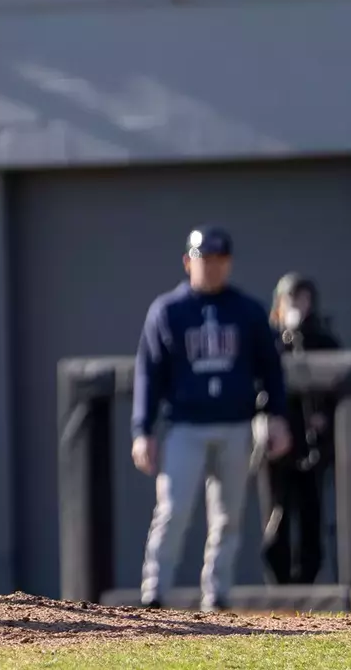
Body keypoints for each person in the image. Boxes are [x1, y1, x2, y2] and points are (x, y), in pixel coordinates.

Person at [131, 225, 292, 612]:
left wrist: (277, 416)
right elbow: (148, 374)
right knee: (173, 511)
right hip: (185, 426)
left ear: (229, 263)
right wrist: (142, 429)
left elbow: (271, 370)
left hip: (235, 425)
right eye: (205, 258)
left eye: (220, 259)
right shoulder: (168, 310)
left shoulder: (247, 310)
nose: (213, 266)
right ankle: (154, 593)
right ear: (188, 262)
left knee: (228, 517)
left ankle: (217, 595)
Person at [257, 272, 341, 586]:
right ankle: (279, 586)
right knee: (276, 517)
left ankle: (307, 585)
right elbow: (257, 387)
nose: (297, 304)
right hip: (277, 445)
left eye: (303, 298)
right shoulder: (269, 342)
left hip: (312, 445)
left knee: (310, 517)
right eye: (290, 298)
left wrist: (324, 417)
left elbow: (339, 391)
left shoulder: (325, 342)